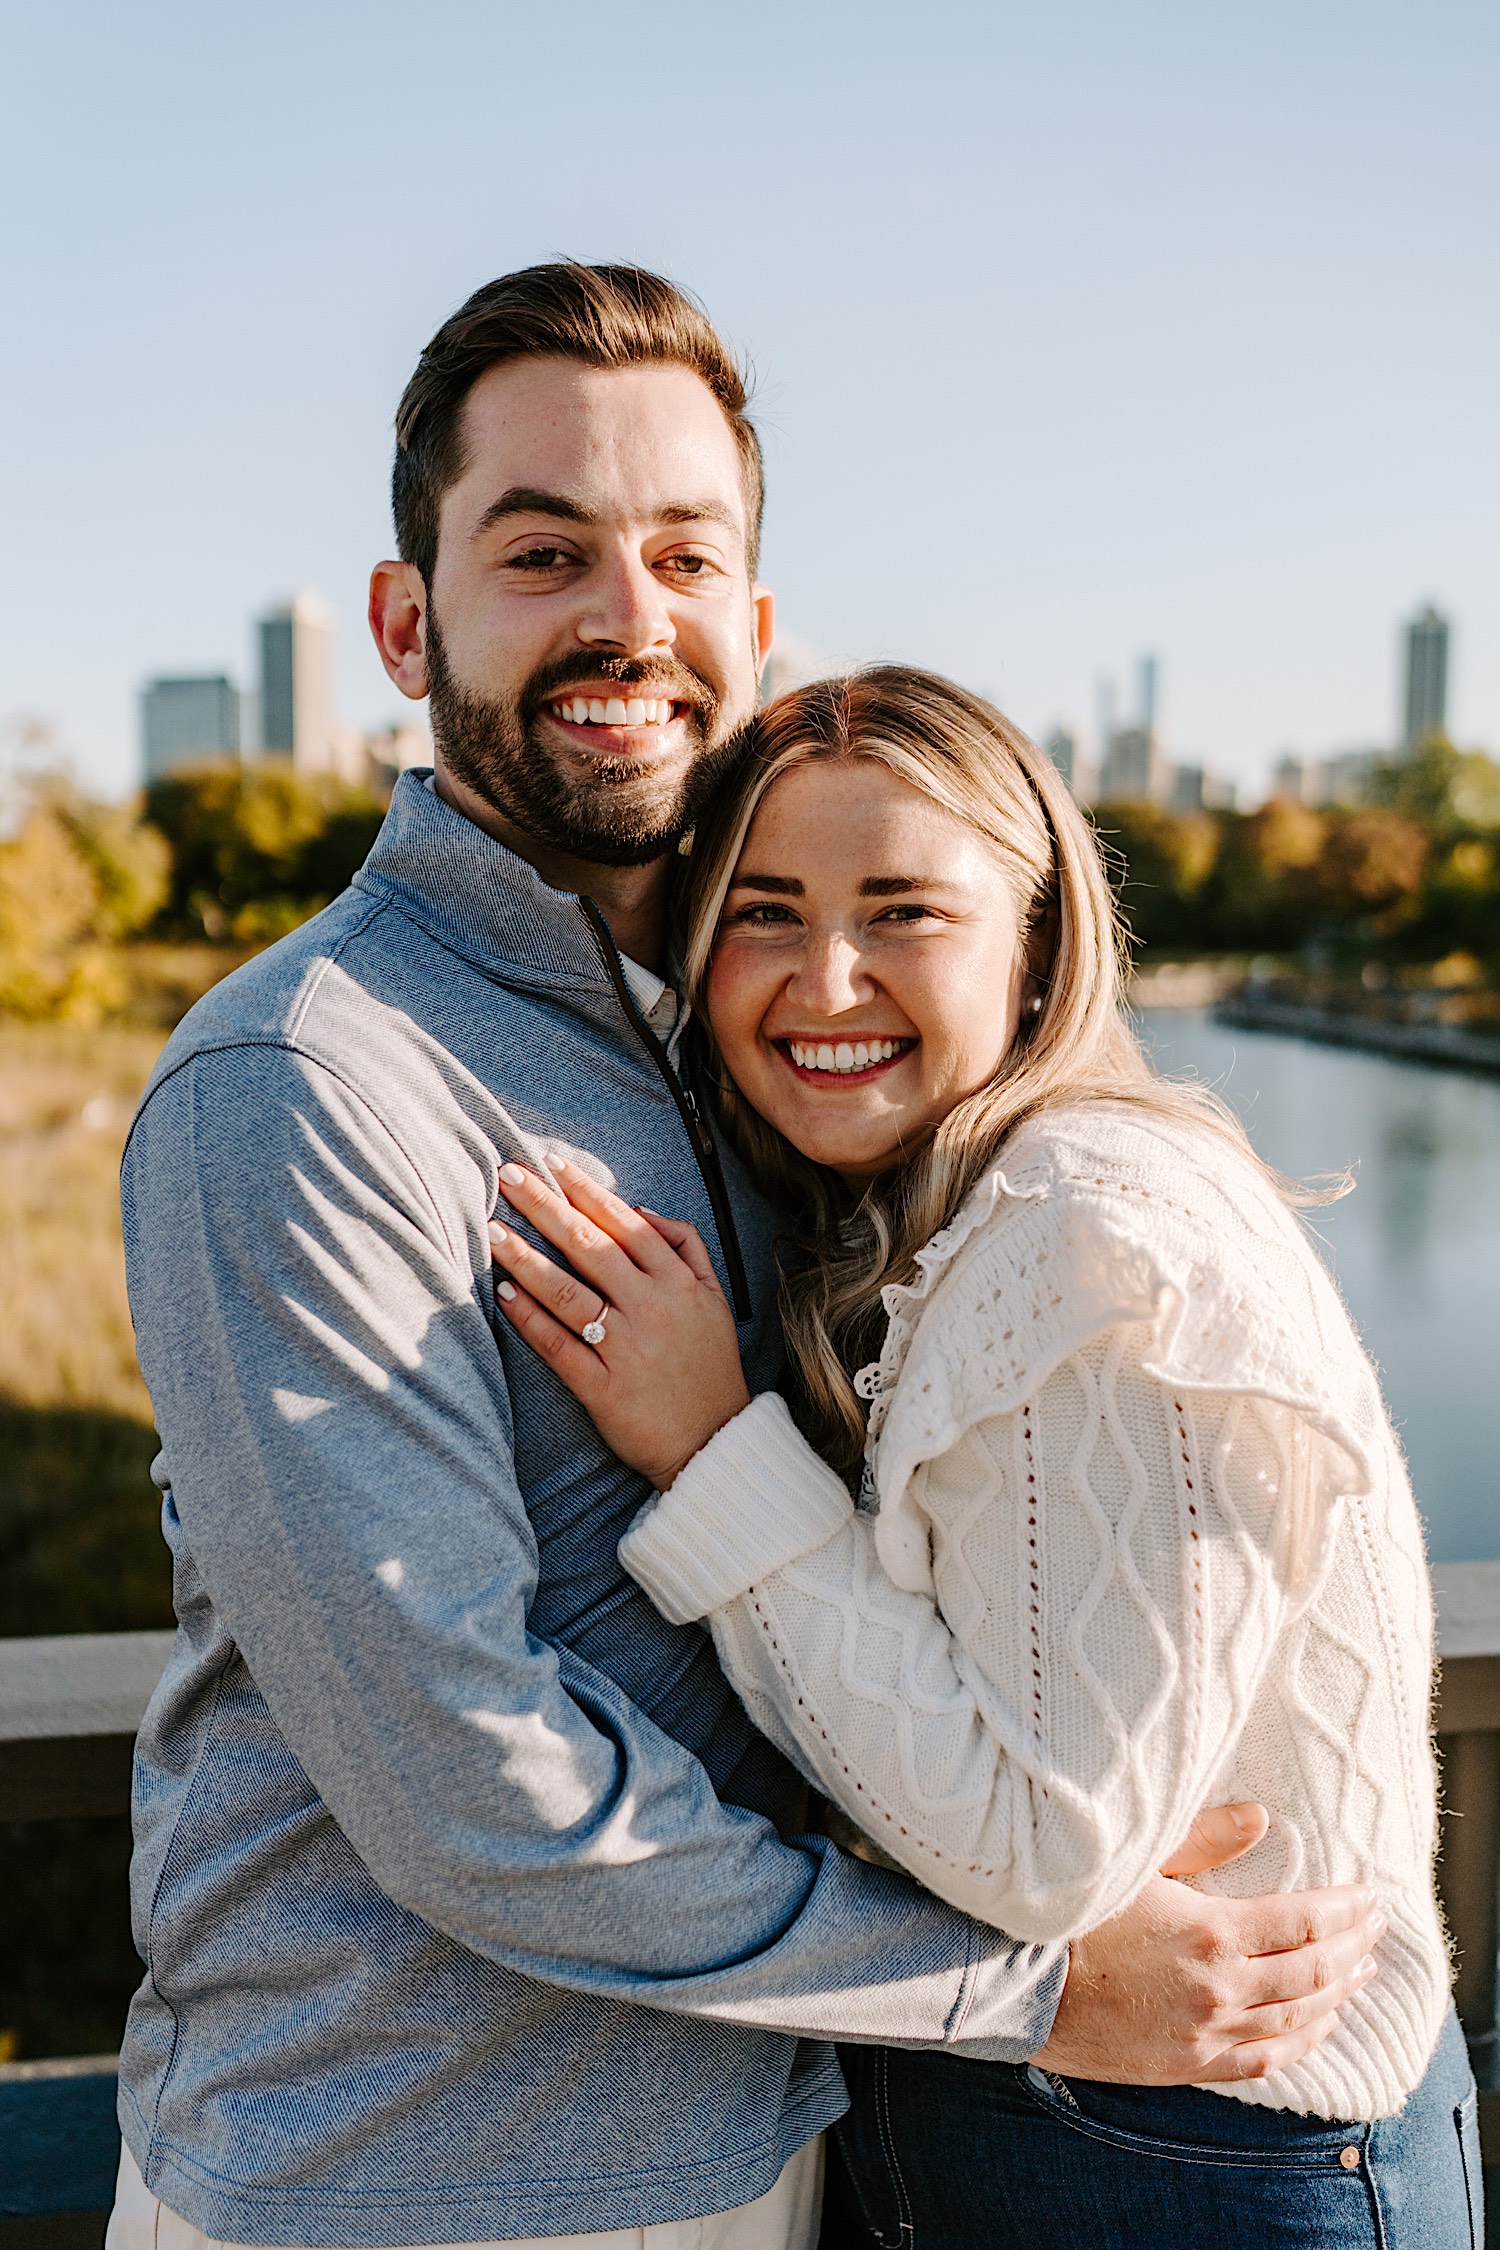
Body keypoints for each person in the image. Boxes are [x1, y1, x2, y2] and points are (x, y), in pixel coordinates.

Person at [111, 269, 1383, 2250]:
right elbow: (467, 1786)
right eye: (543, 553)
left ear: (754, 627)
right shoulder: (303, 1084)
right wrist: (1036, 1984)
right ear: (404, 621)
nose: (627, 618)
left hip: (779, 2155)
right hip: (410, 2189)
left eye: (682, 554)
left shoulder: (740, 1046)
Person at [487, 666, 1477, 2248]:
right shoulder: (953, 1215)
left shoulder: (1091, 1233)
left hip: (1188, 2146)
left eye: (903, 912)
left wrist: (711, 1450)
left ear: (1032, 947)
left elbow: (1046, 1848)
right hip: (1071, 2103)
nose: (826, 976)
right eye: (763, 910)